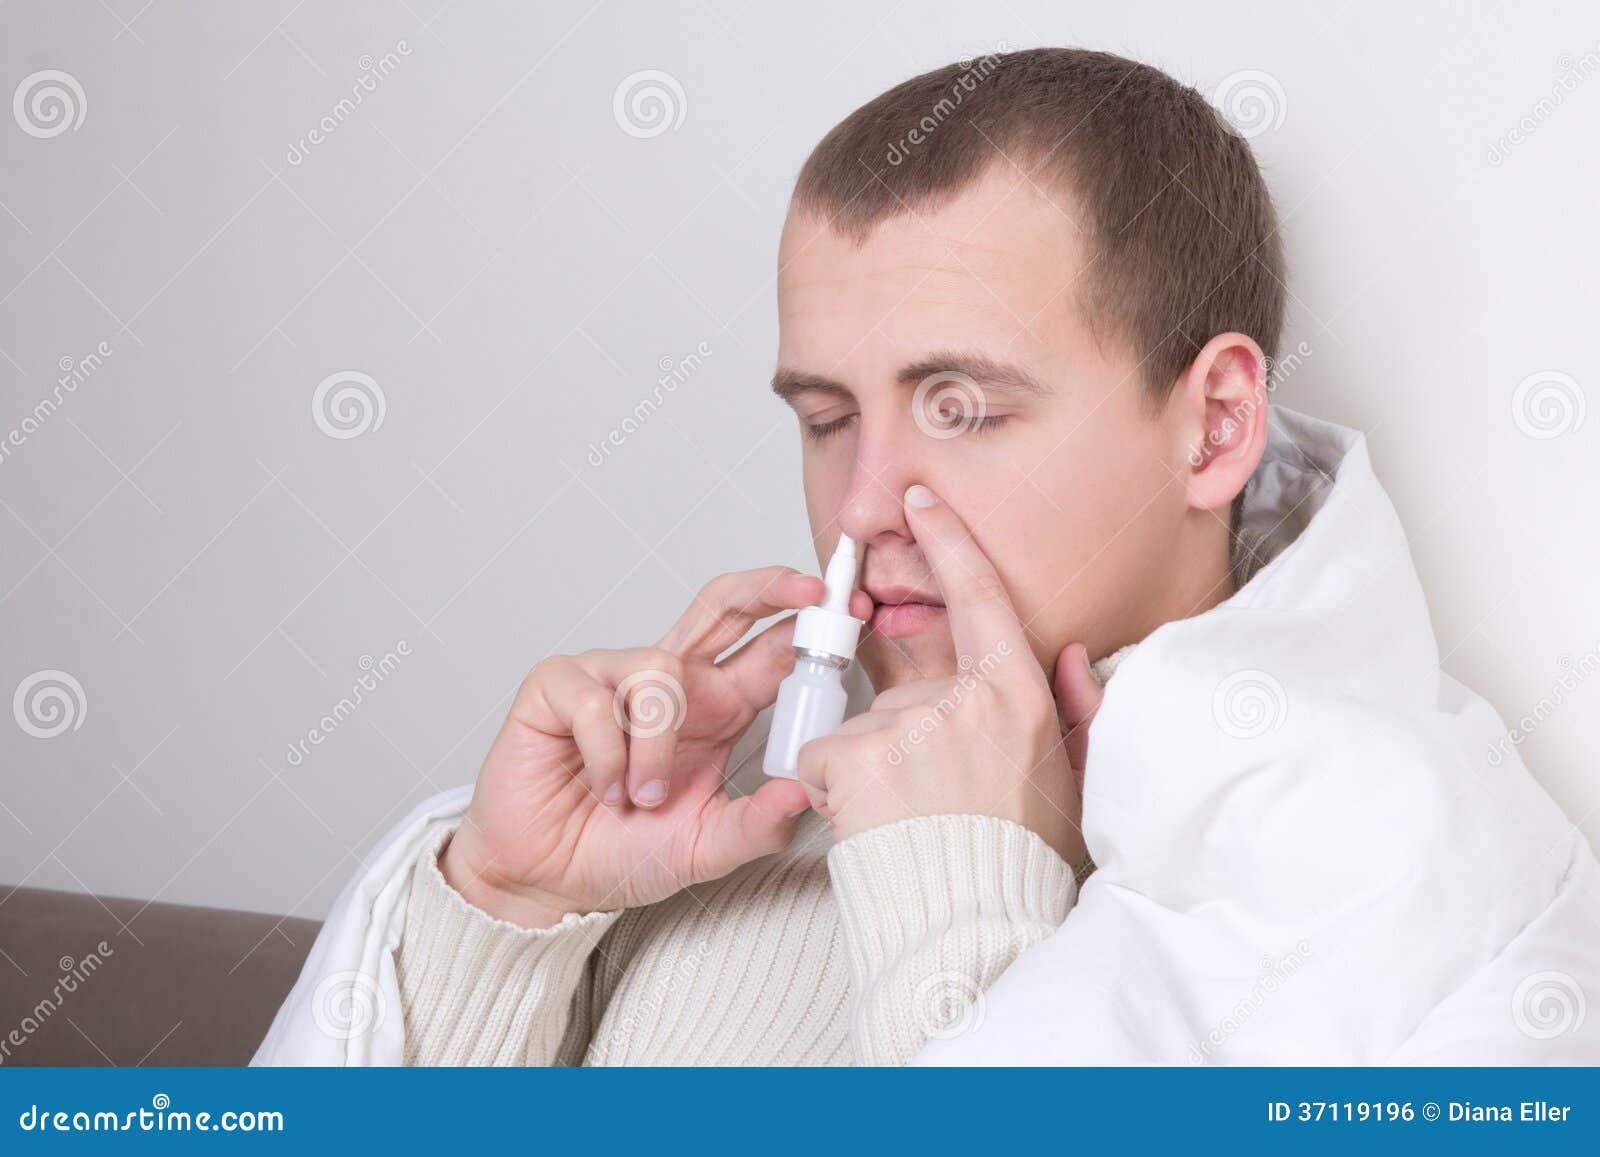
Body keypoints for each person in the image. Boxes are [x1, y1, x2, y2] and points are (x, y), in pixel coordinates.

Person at [257, 46, 1600, 1067]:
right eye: (828, 421)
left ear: (1214, 426)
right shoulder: (725, 799)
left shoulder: (1408, 869)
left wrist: (959, 906)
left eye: (960, 408)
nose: (864, 507)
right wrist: (505, 908)